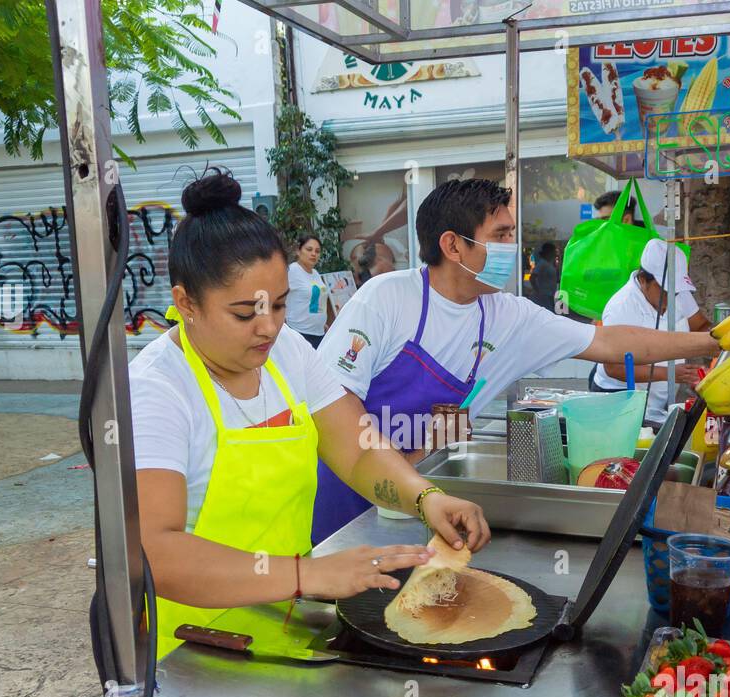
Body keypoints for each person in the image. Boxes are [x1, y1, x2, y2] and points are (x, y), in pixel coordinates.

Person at [128, 169, 490, 660]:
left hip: (285, 621)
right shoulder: (157, 389)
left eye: (279, 306)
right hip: (192, 648)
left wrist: (426, 498)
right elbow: (156, 551)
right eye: (245, 313)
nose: (268, 328)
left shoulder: (289, 353)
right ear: (185, 302)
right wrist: (306, 574)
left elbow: (357, 449)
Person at [312, 177, 719, 543]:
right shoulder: (386, 299)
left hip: (424, 502)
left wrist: (712, 339)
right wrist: (407, 477)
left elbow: (611, 343)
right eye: (500, 235)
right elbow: (331, 404)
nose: (511, 246)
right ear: (453, 245)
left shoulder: (507, 315)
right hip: (350, 503)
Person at [591, 238, 708, 426]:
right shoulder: (622, 306)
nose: (672, 298)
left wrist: (718, 344)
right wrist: (670, 373)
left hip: (657, 403)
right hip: (618, 400)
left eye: (675, 293)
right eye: (665, 292)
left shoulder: (679, 294)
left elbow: (701, 326)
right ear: (644, 280)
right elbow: (614, 368)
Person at [286, 234, 329, 348]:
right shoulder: (292, 271)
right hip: (299, 333)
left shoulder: (315, 273)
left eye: (317, 251)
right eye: (309, 249)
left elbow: (319, 298)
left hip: (319, 332)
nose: (313, 254)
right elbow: (276, 296)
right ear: (298, 251)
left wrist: (321, 321)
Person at [528, 242, 558, 313]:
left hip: (549, 295)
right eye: (554, 251)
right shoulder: (542, 263)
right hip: (543, 296)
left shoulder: (548, 263)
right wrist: (538, 291)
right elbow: (532, 277)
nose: (555, 253)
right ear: (549, 252)